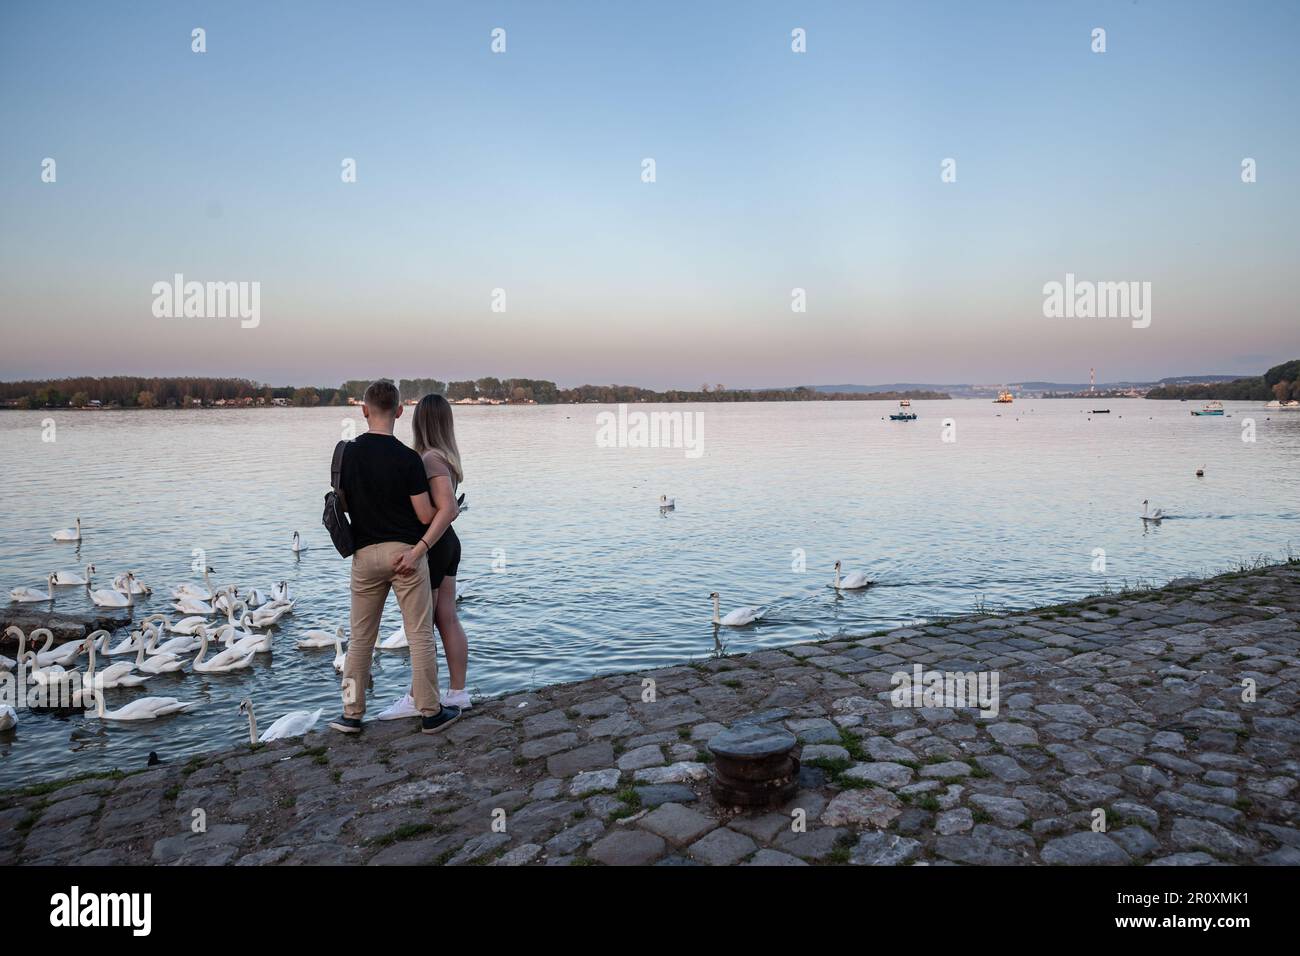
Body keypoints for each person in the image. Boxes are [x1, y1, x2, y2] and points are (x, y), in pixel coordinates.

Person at [328, 381, 460, 735]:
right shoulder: (408, 459)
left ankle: (350, 714)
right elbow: (424, 515)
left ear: (364, 410)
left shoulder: (346, 454)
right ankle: (431, 712)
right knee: (419, 635)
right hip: (405, 555)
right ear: (399, 412)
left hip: (364, 555)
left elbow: (343, 503)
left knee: (360, 639)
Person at [378, 393, 471, 718]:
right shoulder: (445, 456)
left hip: (434, 546)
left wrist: (419, 549)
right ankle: (457, 693)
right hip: (447, 544)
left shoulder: (429, 459)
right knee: (446, 617)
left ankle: (417, 698)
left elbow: (449, 509)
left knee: (422, 625)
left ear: (420, 422)